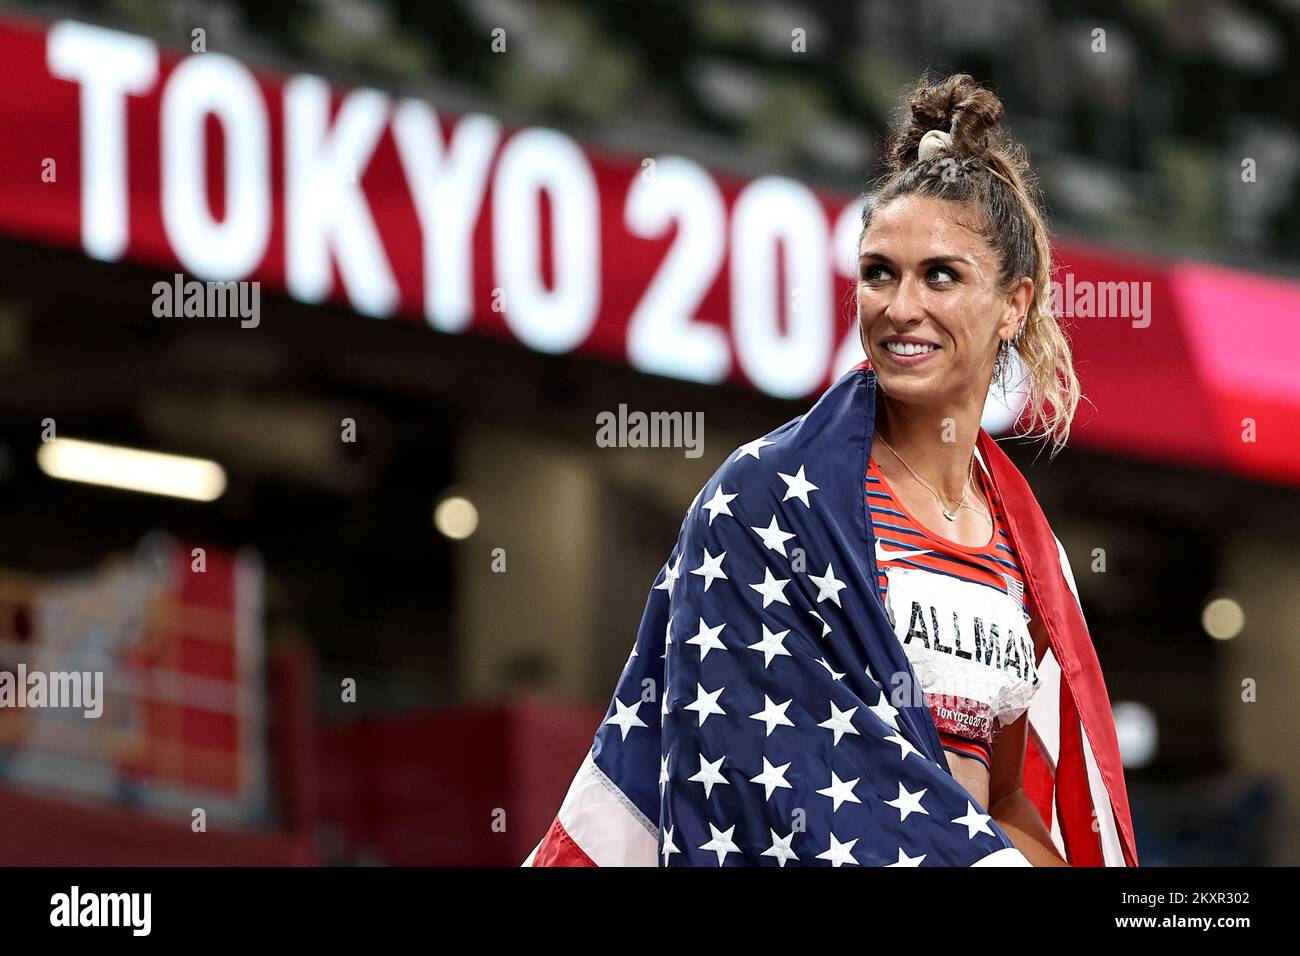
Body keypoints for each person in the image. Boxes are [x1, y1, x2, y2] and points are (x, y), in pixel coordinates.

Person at [525, 72, 1138, 868]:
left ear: (1014, 305)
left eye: (940, 276)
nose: (899, 306)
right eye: (879, 272)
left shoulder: (1026, 554)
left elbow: (1003, 797)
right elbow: (746, 779)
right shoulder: (764, 504)